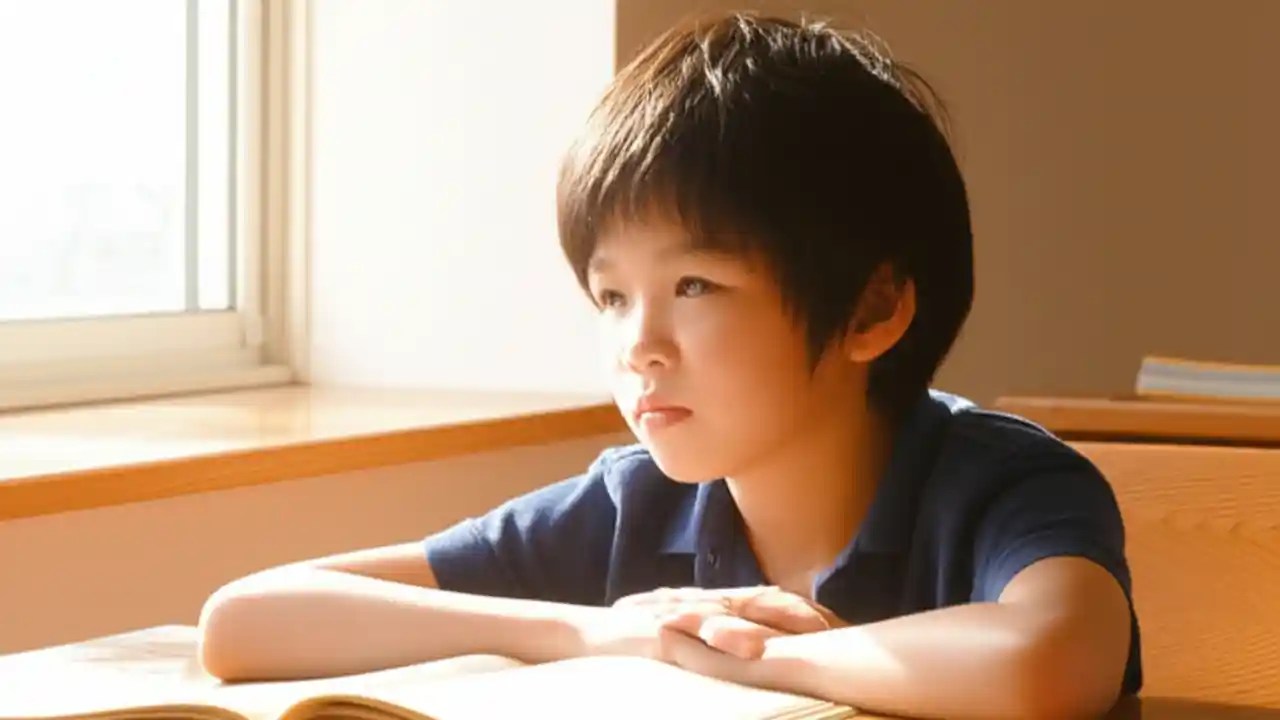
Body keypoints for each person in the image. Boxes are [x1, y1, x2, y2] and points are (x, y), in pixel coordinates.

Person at [197, 12, 1141, 718]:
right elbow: (246, 622)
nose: (637, 344)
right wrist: (598, 631)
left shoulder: (1004, 485)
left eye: (694, 285)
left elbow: (1050, 659)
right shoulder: (632, 503)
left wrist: (740, 657)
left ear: (872, 309)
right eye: (612, 297)